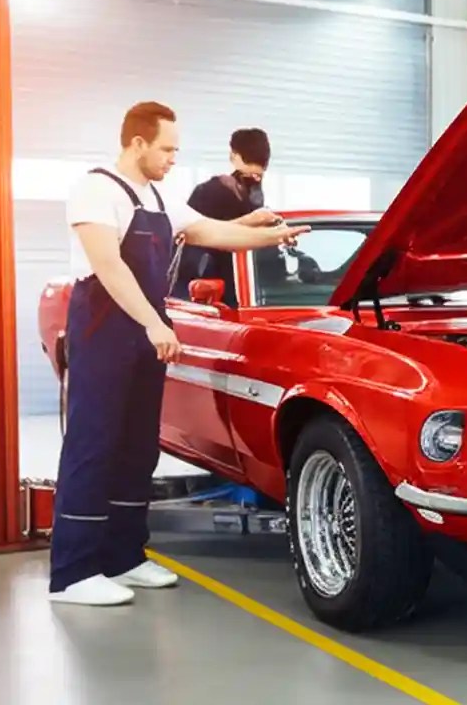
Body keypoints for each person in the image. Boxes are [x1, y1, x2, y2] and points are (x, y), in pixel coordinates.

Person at [49, 102, 309, 607]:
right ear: (137, 143)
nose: (173, 158)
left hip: (146, 335)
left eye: (176, 150)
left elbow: (212, 231)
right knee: (93, 445)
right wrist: (152, 322)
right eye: (167, 148)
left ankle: (124, 557)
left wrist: (271, 235)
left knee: (137, 447)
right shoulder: (96, 189)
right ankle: (73, 572)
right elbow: (109, 267)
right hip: (107, 331)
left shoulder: (159, 196)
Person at [170, 127, 271, 308]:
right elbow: (191, 236)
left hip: (228, 297)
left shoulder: (212, 192)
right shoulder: (213, 192)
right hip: (216, 298)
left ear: (233, 156)